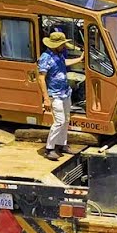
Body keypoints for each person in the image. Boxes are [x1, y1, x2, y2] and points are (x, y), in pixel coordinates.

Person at [38, 30, 80, 161]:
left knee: (66, 119)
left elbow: (64, 63)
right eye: (62, 44)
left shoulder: (59, 54)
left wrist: (80, 59)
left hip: (65, 92)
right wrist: (46, 99)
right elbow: (41, 79)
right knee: (59, 121)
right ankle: (49, 148)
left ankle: (62, 144)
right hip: (55, 94)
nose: (64, 47)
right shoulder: (46, 57)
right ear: (55, 45)